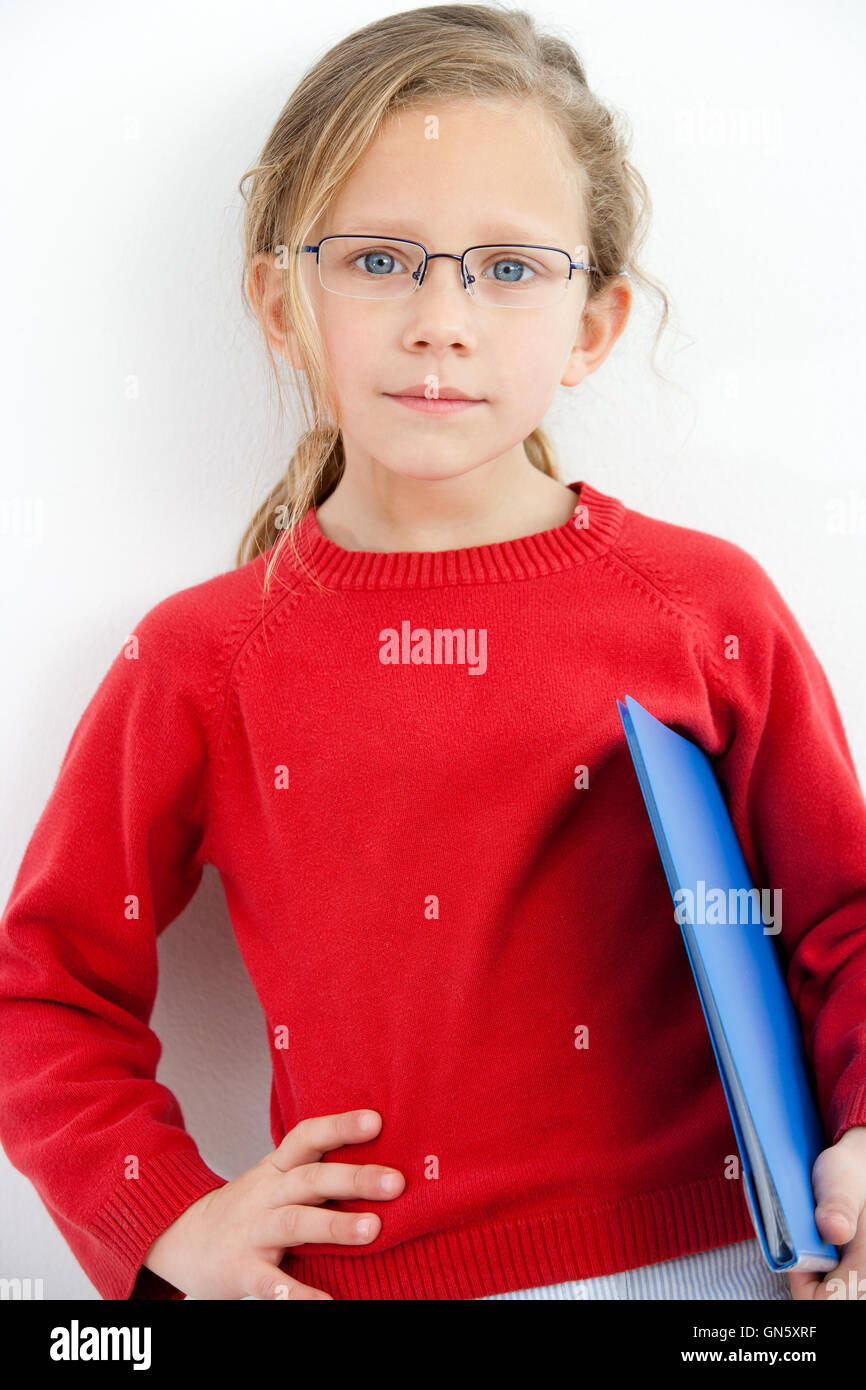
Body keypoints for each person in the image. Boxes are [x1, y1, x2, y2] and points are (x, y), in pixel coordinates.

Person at [1, 4, 864, 1303]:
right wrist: (163, 1216)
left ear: (592, 320)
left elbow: (842, 920)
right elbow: (42, 986)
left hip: (736, 1271)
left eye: (508, 267)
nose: (440, 319)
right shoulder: (202, 656)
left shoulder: (705, 604)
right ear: (280, 302)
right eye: (378, 259)